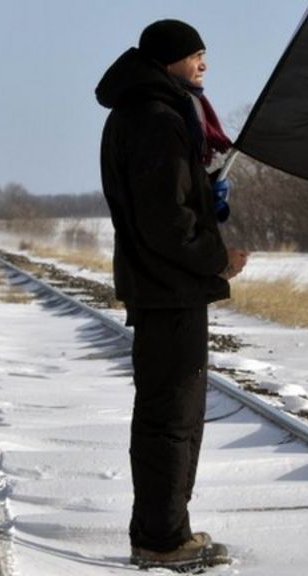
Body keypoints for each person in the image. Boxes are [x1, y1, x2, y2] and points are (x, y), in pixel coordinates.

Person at [95, 19, 247, 571]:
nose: (203, 63)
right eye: (195, 55)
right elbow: (166, 221)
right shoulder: (158, 118)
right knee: (171, 418)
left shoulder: (145, 112)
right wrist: (218, 258)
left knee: (169, 413)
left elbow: (171, 199)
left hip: (163, 286)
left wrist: (207, 191)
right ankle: (161, 540)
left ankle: (162, 529)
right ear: (167, 61)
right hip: (169, 286)